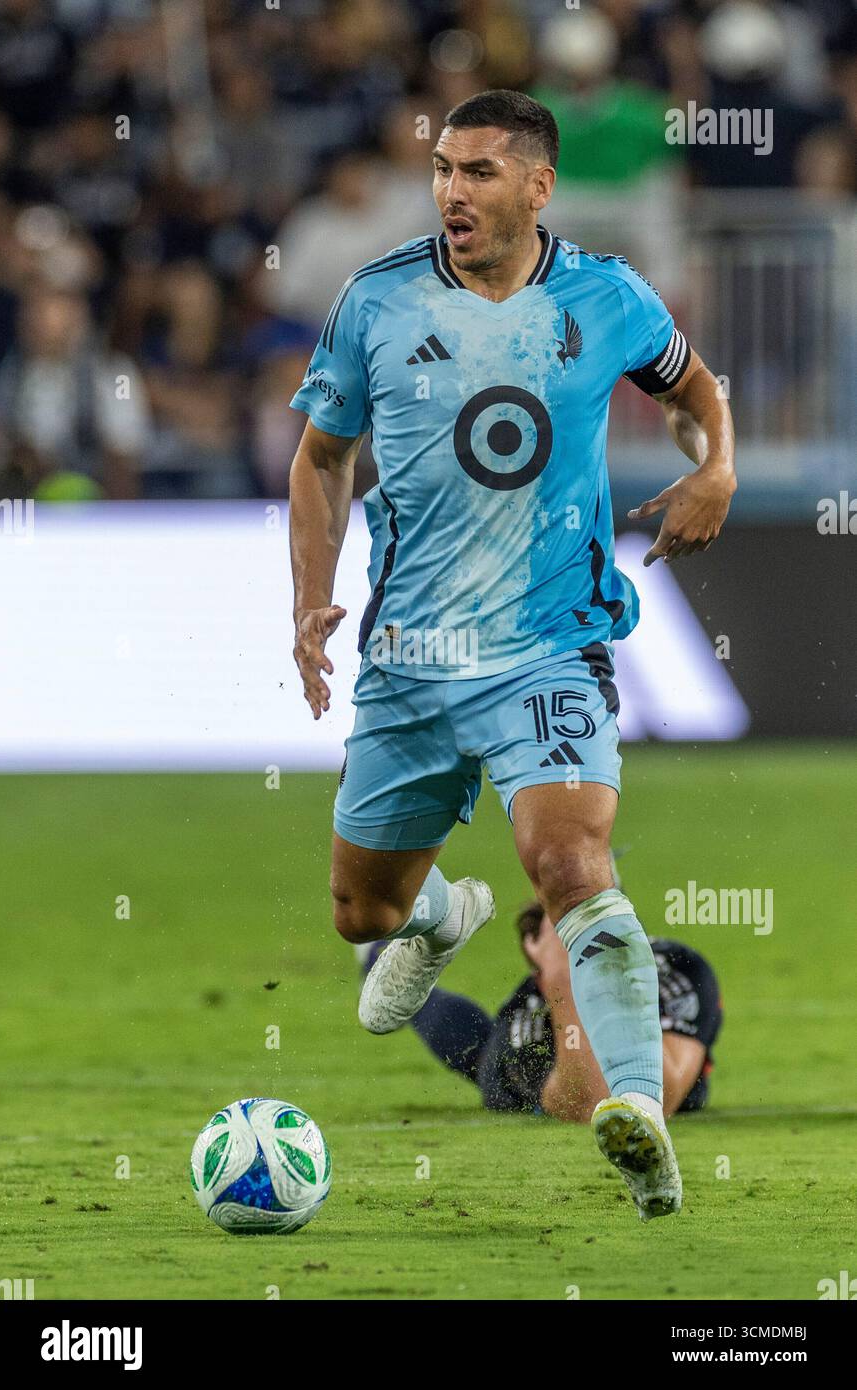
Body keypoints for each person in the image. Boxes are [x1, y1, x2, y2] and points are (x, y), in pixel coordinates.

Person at [288, 89, 736, 1221]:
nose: (452, 191)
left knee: (573, 865)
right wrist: (308, 603)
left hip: (548, 648)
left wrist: (715, 465)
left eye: (478, 171)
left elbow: (694, 391)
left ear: (539, 187)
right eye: (443, 168)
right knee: (361, 914)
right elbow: (322, 458)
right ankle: (442, 915)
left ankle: (636, 1112)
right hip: (408, 659)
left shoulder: (606, 297)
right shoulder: (376, 300)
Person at [360, 897, 723, 1125]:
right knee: (479, 1054)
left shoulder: (678, 969)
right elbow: (589, 1104)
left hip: (561, 1001)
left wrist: (609, 977)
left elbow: (661, 1098)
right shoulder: (527, 1031)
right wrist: (564, 978)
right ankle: (382, 963)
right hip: (527, 1062)